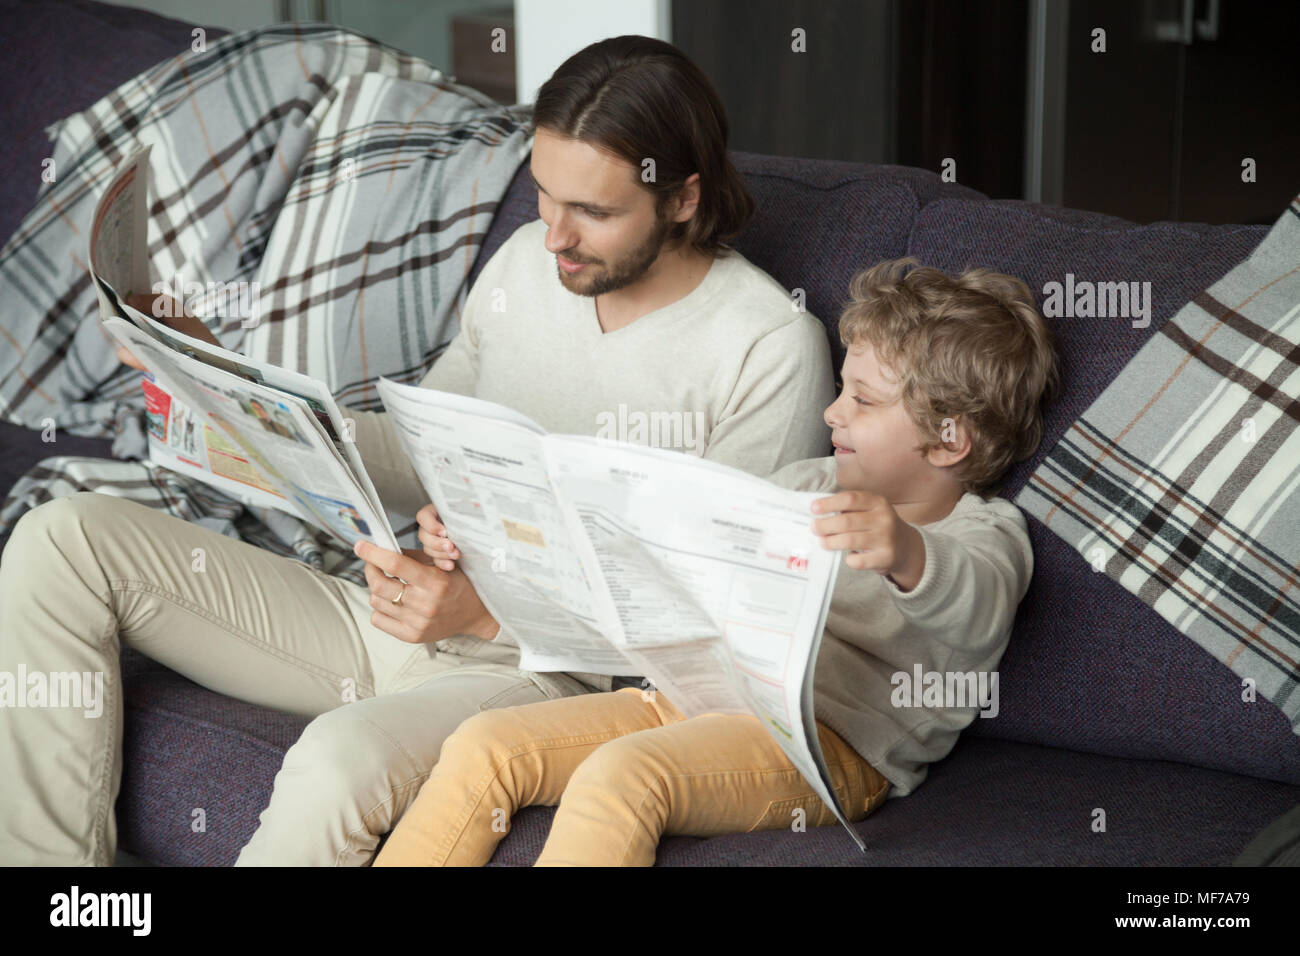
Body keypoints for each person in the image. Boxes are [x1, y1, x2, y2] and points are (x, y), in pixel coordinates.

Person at [0, 36, 834, 866]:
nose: (555, 238)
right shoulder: (525, 269)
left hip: (541, 681)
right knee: (61, 540)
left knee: (336, 762)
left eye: (595, 213)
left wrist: (482, 612)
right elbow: (415, 449)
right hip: (390, 612)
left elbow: (718, 622)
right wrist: (216, 375)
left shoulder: (766, 347)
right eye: (545, 196)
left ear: (683, 198)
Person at [369, 257, 1061, 866]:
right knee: (484, 745)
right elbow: (669, 581)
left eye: (863, 400)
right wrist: (491, 542)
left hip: (828, 748)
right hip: (692, 697)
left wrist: (906, 552)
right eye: (843, 389)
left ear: (948, 442)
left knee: (623, 776)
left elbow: (971, 604)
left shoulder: (984, 535)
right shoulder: (804, 486)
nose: (832, 412)